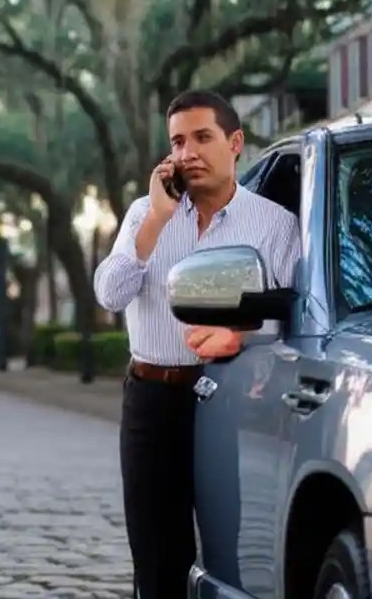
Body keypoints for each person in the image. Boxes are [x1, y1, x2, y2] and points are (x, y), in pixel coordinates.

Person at [93, 89, 300, 598]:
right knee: (156, 556)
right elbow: (109, 293)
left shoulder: (274, 225)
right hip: (151, 399)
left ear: (235, 143)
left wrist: (242, 334)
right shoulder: (146, 214)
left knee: (228, 551)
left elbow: (296, 311)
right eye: (177, 141)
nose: (188, 153)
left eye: (202, 138)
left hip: (229, 400)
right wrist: (157, 220)